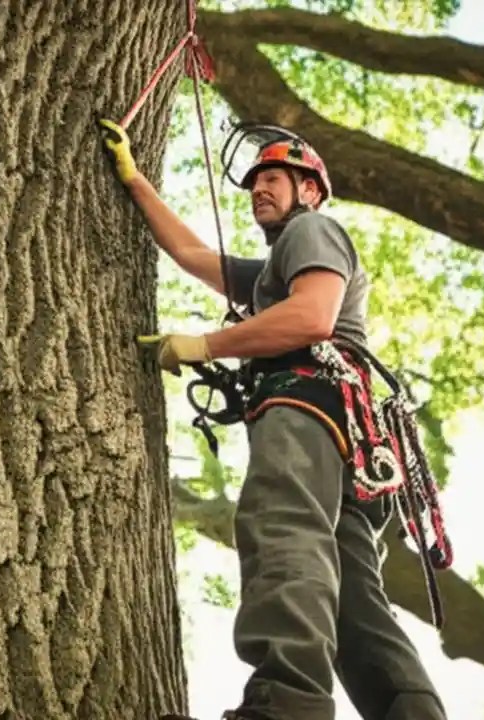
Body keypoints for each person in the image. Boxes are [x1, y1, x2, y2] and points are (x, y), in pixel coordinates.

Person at [97, 118, 447, 720]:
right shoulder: (271, 273)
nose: (261, 188)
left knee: (284, 528)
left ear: (309, 189)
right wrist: (134, 179)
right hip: (350, 443)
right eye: (256, 181)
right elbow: (193, 255)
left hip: (310, 405)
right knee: (354, 598)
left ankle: (285, 704)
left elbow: (312, 318)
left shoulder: (312, 230)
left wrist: (205, 344)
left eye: (275, 178)